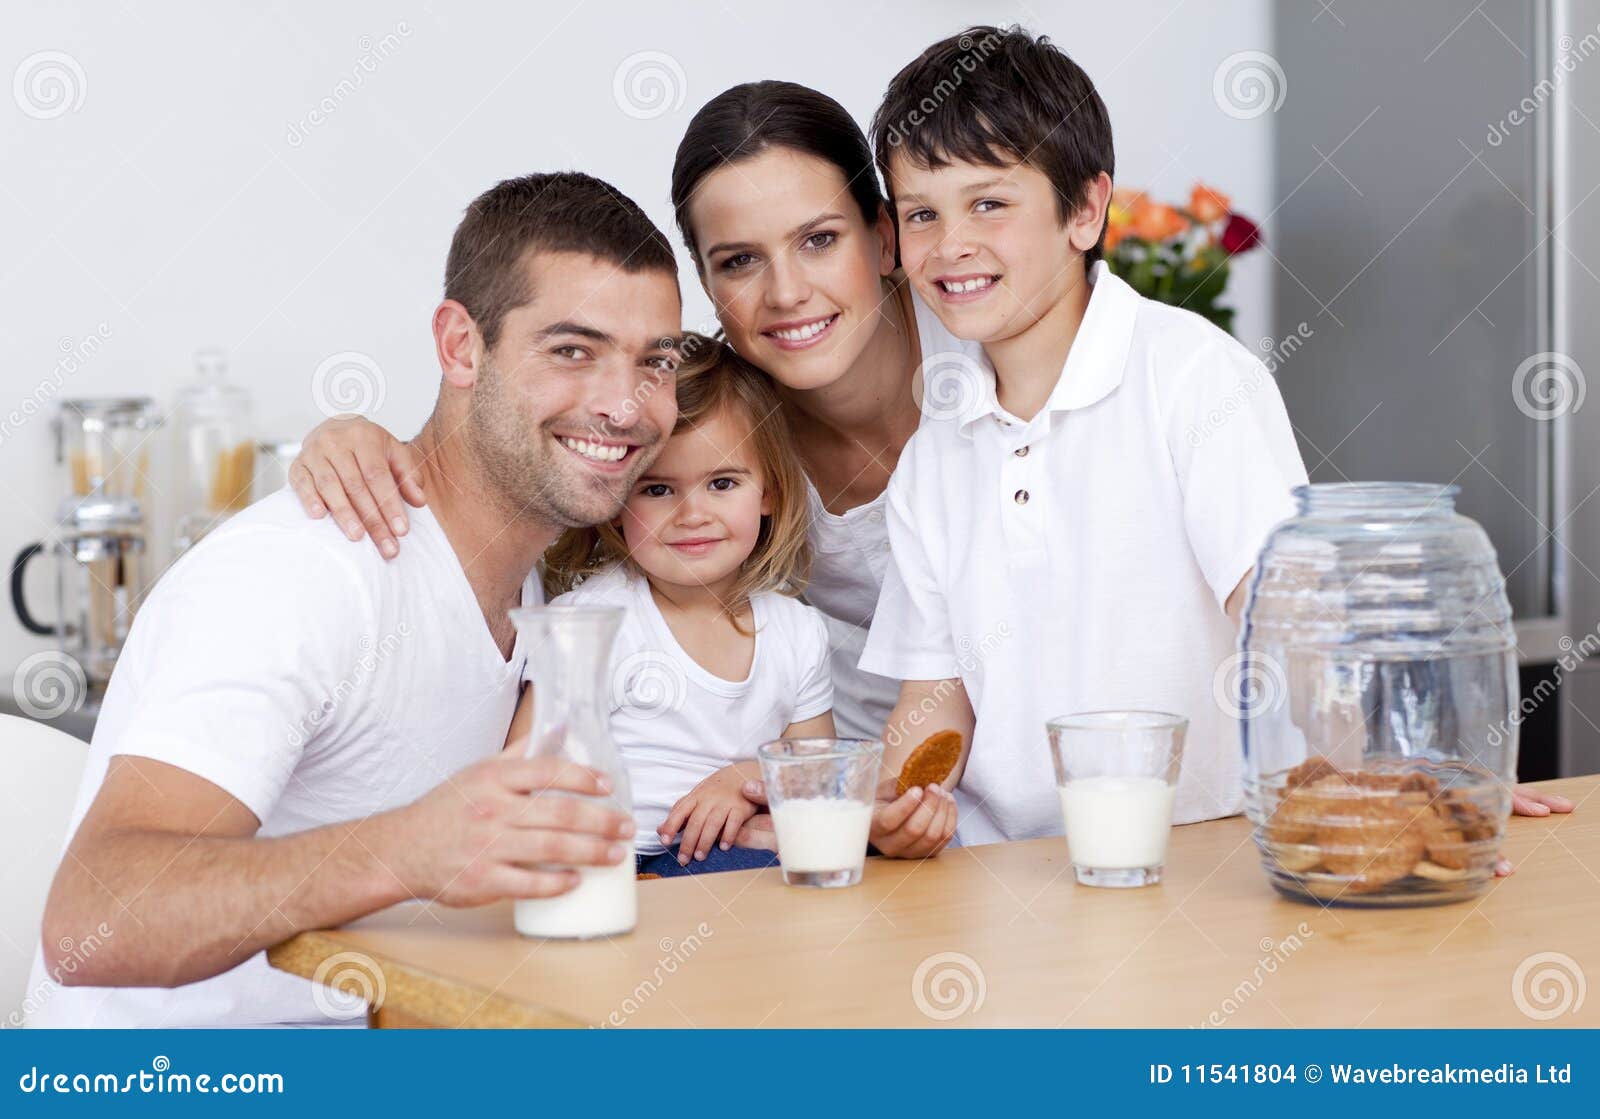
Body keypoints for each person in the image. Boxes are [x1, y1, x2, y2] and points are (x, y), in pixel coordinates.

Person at [856, 25, 1574, 849]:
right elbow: (936, 690)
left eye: (989, 202)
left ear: (1086, 210)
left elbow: (1288, 621)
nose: (952, 245)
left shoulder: (1190, 374)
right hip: (1007, 871)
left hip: (1201, 851)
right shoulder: (932, 451)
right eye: (921, 213)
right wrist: (896, 801)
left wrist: (1395, 779)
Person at [25, 171, 682, 1027]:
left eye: (656, 362)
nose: (624, 405)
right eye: (571, 350)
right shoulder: (303, 574)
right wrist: (409, 848)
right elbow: (91, 923)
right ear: (460, 347)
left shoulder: (539, 571)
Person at [288, 80, 974, 858]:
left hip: (896, 803)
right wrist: (357, 436)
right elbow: (525, 430)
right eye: (738, 260)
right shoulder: (699, 408)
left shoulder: (983, 363)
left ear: (883, 238)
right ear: (705, 284)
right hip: (814, 826)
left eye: (820, 239)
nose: (786, 292)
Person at [517, 336, 835, 875]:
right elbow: (525, 781)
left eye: (723, 483)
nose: (692, 514)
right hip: (636, 864)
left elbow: (817, 786)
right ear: (614, 500)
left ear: (770, 492)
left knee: (857, 850)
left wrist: (746, 778)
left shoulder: (798, 632)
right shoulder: (591, 625)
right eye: (658, 490)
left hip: (749, 851)